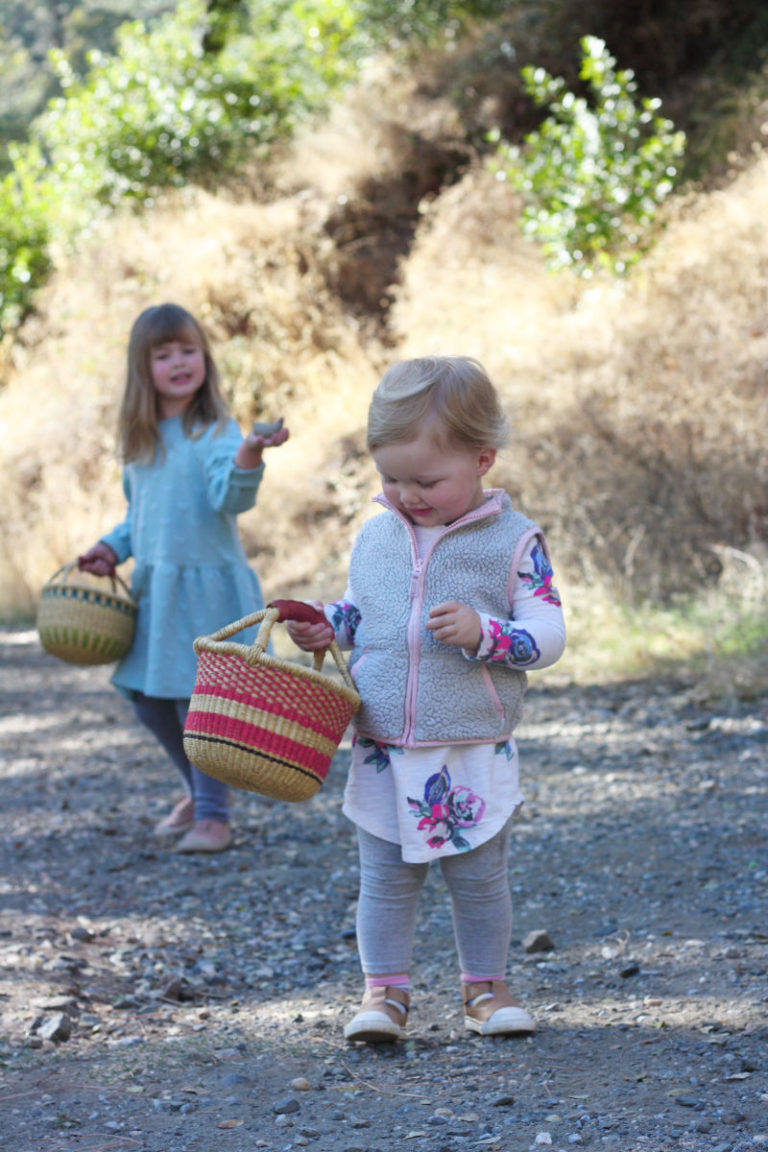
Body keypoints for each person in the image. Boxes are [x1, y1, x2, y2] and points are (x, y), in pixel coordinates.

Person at [287, 355, 566, 1042]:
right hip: (384, 743)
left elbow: (550, 634)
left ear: (483, 459)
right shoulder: (377, 533)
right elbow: (366, 615)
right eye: (390, 477)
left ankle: (486, 989)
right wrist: (328, 626)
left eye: (427, 480)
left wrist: (486, 634)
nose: (407, 494)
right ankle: (385, 995)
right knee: (383, 878)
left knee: (477, 878)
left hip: (471, 740)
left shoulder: (512, 543)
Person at [79, 302, 289, 854]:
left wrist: (250, 450)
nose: (179, 362)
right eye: (164, 354)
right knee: (148, 700)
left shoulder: (215, 431)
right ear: (142, 369)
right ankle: (199, 790)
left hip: (205, 591)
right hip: (158, 592)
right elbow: (138, 515)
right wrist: (109, 548)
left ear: (206, 359)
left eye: (188, 350)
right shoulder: (142, 442)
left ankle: (215, 816)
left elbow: (229, 496)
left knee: (199, 703)